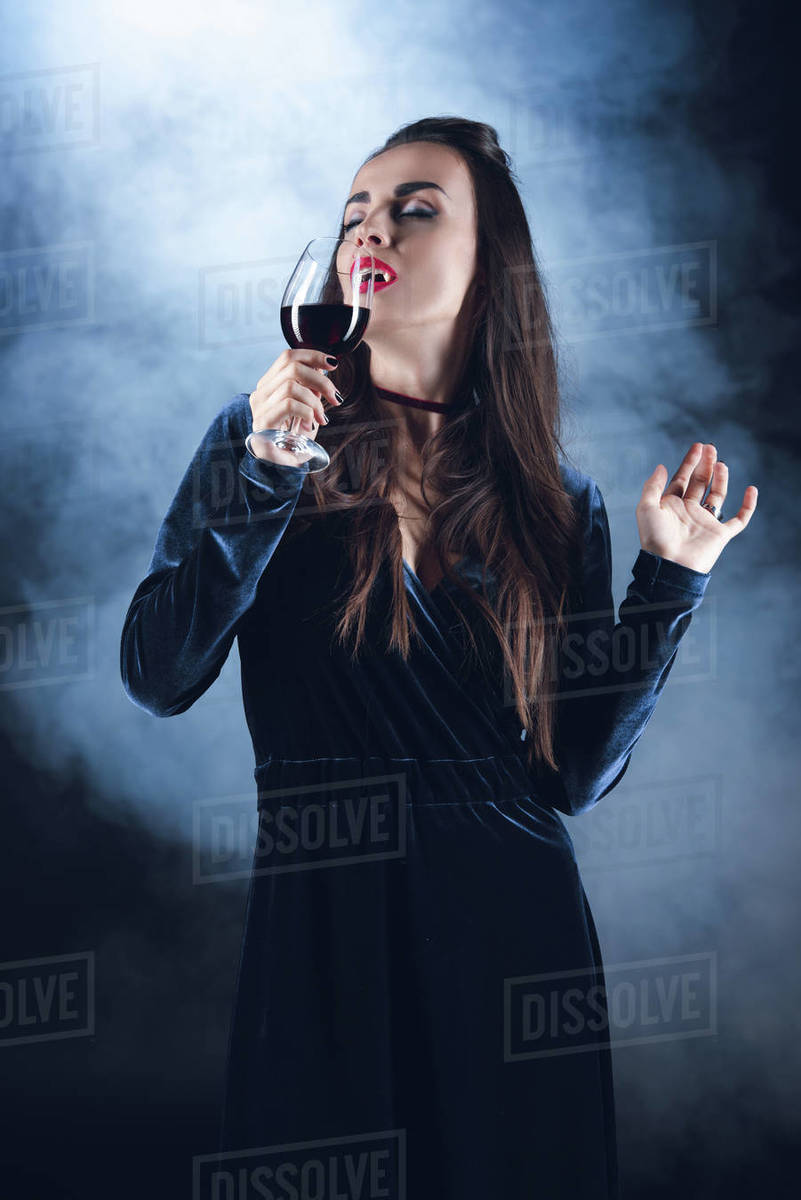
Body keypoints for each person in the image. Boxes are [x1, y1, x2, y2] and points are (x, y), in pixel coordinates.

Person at [120, 117, 757, 1198]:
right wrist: (266, 476)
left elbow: (571, 772)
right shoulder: (262, 434)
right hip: (323, 930)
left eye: (416, 208)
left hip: (515, 940)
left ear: (490, 261)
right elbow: (158, 670)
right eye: (356, 212)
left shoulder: (560, 503)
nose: (374, 228)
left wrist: (671, 577)